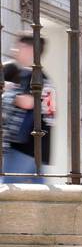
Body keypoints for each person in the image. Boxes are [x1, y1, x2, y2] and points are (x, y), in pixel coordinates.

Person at [2, 34, 53, 184]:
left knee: (7, 193)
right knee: (38, 199)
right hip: (40, 149)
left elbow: (28, 102)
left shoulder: (29, 74)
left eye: (18, 46)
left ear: (29, 49)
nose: (14, 50)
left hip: (22, 146)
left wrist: (6, 91)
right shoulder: (44, 77)